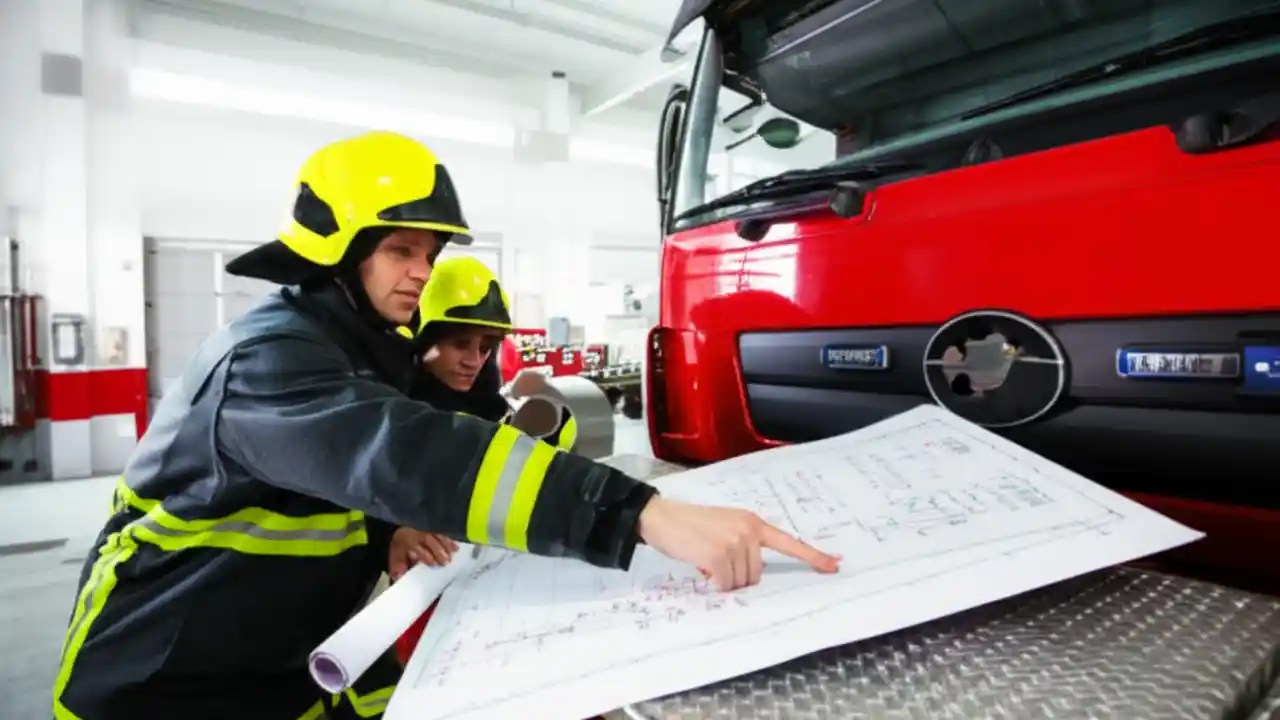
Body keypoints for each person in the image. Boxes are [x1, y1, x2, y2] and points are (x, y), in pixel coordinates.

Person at [53, 130, 840, 720]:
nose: (423, 272)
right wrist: (644, 515)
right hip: (156, 680)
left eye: (429, 251)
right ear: (338, 255)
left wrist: (380, 531)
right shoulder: (268, 361)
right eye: (401, 250)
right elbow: (409, 455)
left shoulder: (360, 350)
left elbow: (316, 489)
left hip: (281, 669)